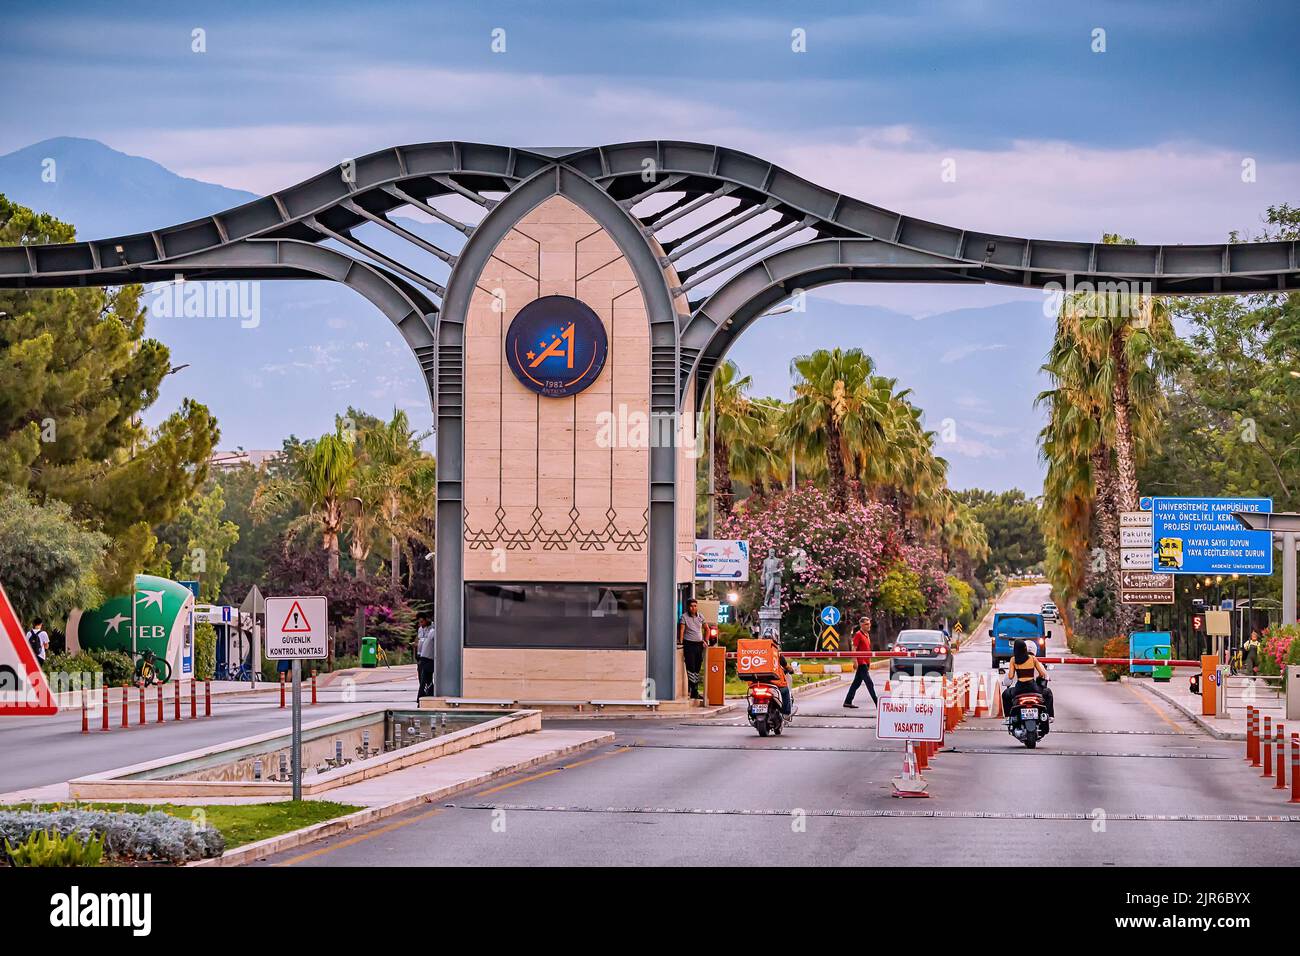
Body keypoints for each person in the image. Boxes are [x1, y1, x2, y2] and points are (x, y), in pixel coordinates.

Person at [1002, 638, 1053, 722]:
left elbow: (1010, 676)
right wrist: (1038, 677)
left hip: (1019, 689)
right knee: (1048, 692)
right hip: (1033, 687)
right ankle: (1049, 716)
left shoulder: (1013, 660)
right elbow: (1043, 674)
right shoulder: (1033, 659)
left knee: (1005, 694)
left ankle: (1008, 718)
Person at [843, 616, 878, 709]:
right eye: (866, 624)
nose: (868, 625)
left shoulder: (866, 635)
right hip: (861, 663)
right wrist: (854, 661)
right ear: (861, 625)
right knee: (869, 683)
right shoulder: (858, 634)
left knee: (856, 683)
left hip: (865, 662)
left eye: (869, 623)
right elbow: (854, 649)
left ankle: (847, 701)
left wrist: (869, 663)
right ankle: (877, 703)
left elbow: (867, 650)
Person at [677, 598, 706, 700]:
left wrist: (705, 640)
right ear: (688, 607)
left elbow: (707, 628)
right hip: (689, 644)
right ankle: (693, 689)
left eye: (695, 606)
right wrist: (680, 642)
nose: (693, 608)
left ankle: (695, 689)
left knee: (697, 667)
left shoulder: (700, 616)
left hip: (699, 645)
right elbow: (682, 630)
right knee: (691, 667)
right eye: (691, 606)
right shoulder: (684, 617)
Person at [415, 612, 436, 700]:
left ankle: (426, 694)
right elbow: (419, 640)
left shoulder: (433, 629)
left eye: (422, 622)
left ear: (427, 619)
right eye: (419, 622)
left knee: (426, 678)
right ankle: (426, 692)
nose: (421, 624)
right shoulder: (420, 629)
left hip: (429, 657)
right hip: (421, 655)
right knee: (421, 677)